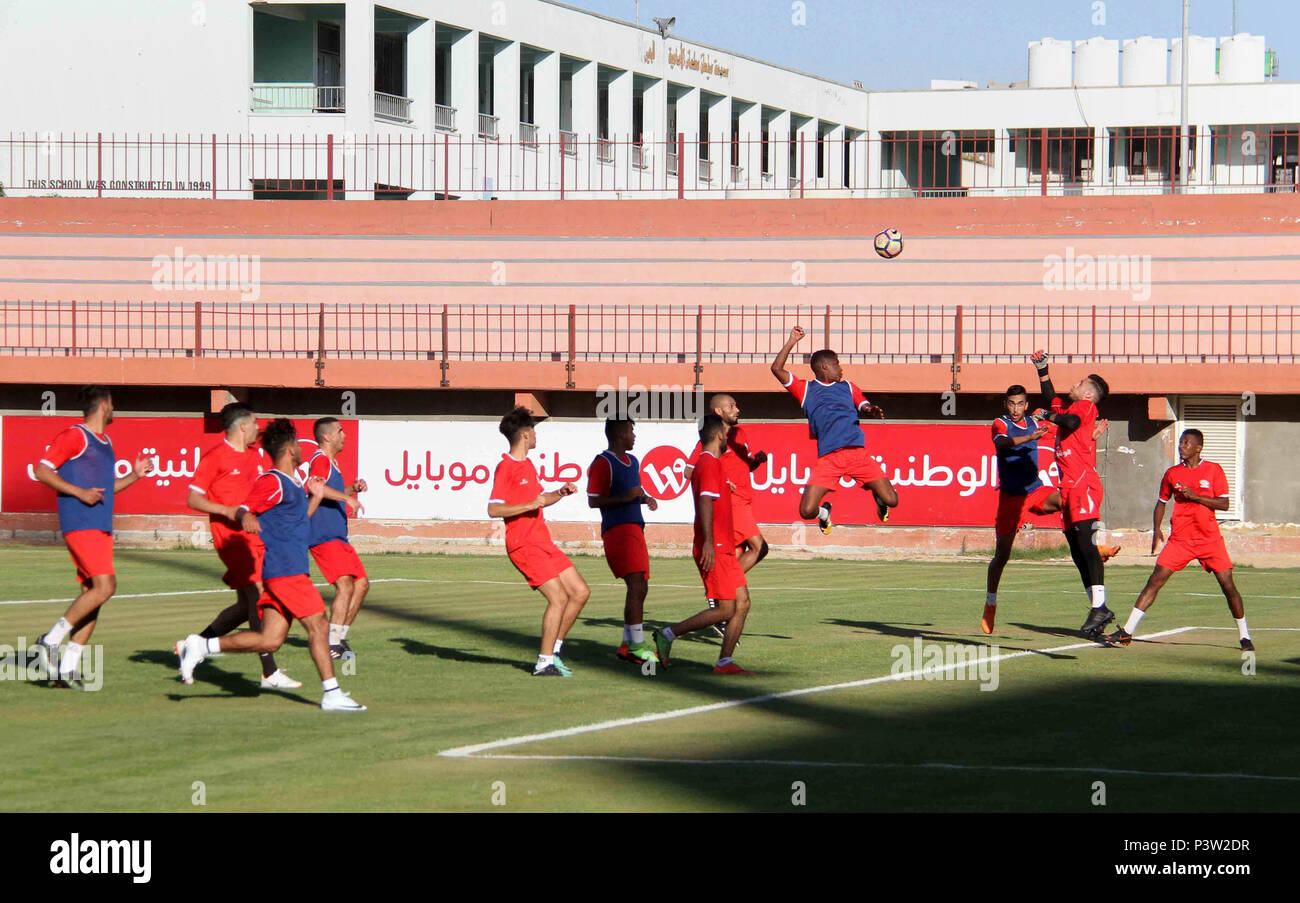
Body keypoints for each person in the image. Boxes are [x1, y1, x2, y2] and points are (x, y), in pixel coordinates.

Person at [175, 419, 366, 712]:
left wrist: (314, 498)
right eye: (297, 444)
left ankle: (201, 646)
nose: (303, 450)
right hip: (285, 572)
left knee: (270, 640)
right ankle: (332, 693)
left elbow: (301, 523)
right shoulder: (273, 481)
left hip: (286, 570)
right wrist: (245, 515)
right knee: (319, 626)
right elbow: (244, 507)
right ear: (290, 449)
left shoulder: (292, 483)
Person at [33, 386, 149, 687]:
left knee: (93, 596)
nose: (114, 407)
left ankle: (66, 669)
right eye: (111, 402)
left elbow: (107, 489)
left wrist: (135, 476)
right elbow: (42, 470)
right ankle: (50, 639)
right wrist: (78, 492)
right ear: (101, 405)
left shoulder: (105, 441)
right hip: (81, 523)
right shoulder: (75, 436)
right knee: (106, 586)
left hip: (99, 525)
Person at [982, 386, 1118, 634]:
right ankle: (990, 603)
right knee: (1001, 555)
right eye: (1011, 404)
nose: (1015, 409)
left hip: (1035, 491)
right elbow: (1002, 444)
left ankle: (1090, 546)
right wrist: (1030, 438)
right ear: (1006, 404)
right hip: (1011, 498)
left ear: (1026, 404)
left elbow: (1070, 435)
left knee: (1070, 501)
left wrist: (1092, 436)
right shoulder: (1000, 423)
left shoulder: (1036, 423)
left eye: (1020, 404)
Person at [186, 402, 300, 689]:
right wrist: (227, 511)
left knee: (242, 606)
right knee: (258, 597)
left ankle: (195, 645)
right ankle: (268, 671)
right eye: (255, 423)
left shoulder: (257, 456)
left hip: (257, 537)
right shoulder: (216, 457)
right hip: (232, 539)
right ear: (242, 426)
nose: (259, 428)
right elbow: (193, 499)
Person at [1106, 429, 1253, 651]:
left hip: (1209, 539)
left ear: (1198, 447)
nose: (1181, 446)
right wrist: (1156, 528)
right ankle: (1127, 632)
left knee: (1228, 585)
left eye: (1186, 443)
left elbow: (1223, 504)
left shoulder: (1213, 470)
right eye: (1180, 442)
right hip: (1180, 540)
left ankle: (1244, 636)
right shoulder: (1172, 473)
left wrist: (1196, 496)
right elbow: (1161, 501)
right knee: (1155, 581)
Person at [488, 406, 591, 677]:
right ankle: (543, 662)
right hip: (523, 545)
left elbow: (539, 500)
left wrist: (560, 492)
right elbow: (494, 509)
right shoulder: (505, 467)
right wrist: (528, 504)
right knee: (558, 598)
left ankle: (554, 649)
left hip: (543, 542)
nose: (536, 435)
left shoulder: (528, 465)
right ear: (524, 434)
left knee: (580, 592)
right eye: (533, 430)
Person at [652, 414, 755, 675]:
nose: (728, 436)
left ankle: (724, 662)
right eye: (726, 432)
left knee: (742, 603)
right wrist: (709, 542)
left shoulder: (713, 465)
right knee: (725, 609)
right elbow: (705, 503)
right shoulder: (708, 463)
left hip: (725, 546)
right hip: (716, 546)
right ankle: (667, 634)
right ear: (720, 435)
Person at [771, 326, 896, 534]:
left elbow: (862, 404)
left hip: (858, 455)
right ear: (825, 367)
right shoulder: (806, 390)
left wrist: (870, 409)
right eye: (837, 365)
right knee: (806, 510)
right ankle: (825, 513)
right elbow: (776, 369)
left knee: (892, 500)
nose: (841, 369)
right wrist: (792, 340)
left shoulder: (847, 386)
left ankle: (879, 499)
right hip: (829, 459)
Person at [1027, 350, 1115, 638]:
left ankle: (1100, 607)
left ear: (1089, 395)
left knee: (1086, 545)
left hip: (1082, 485)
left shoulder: (1085, 409)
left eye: (1080, 382)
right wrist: (1043, 370)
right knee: (1077, 551)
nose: (1074, 384)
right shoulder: (1071, 408)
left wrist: (1047, 415)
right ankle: (1097, 609)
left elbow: (1071, 423)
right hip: (1069, 487)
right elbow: (1051, 399)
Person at [685, 394, 769, 639]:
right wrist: (722, 482)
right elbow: (690, 471)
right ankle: (719, 593)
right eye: (731, 406)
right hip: (732, 505)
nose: (737, 409)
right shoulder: (712, 439)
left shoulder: (740, 434)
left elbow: (743, 466)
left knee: (738, 555)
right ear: (718, 411)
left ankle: (721, 599)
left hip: (744, 501)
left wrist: (755, 463)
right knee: (759, 547)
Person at [586, 418, 659, 665]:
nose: (634, 435)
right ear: (619, 434)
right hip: (617, 531)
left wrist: (644, 499)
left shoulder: (634, 462)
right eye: (630, 431)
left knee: (641, 586)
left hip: (635, 528)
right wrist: (627, 497)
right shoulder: (602, 463)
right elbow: (594, 500)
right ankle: (638, 646)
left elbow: (632, 494)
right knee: (637, 586)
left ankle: (627, 644)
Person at [307, 417, 369, 661]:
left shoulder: (332, 462)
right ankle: (332, 644)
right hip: (323, 535)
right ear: (327, 437)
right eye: (340, 431)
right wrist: (348, 499)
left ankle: (338, 637)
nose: (345, 435)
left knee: (362, 584)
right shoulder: (320, 459)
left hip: (338, 537)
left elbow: (329, 492)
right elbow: (314, 487)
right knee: (345, 584)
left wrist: (351, 490)